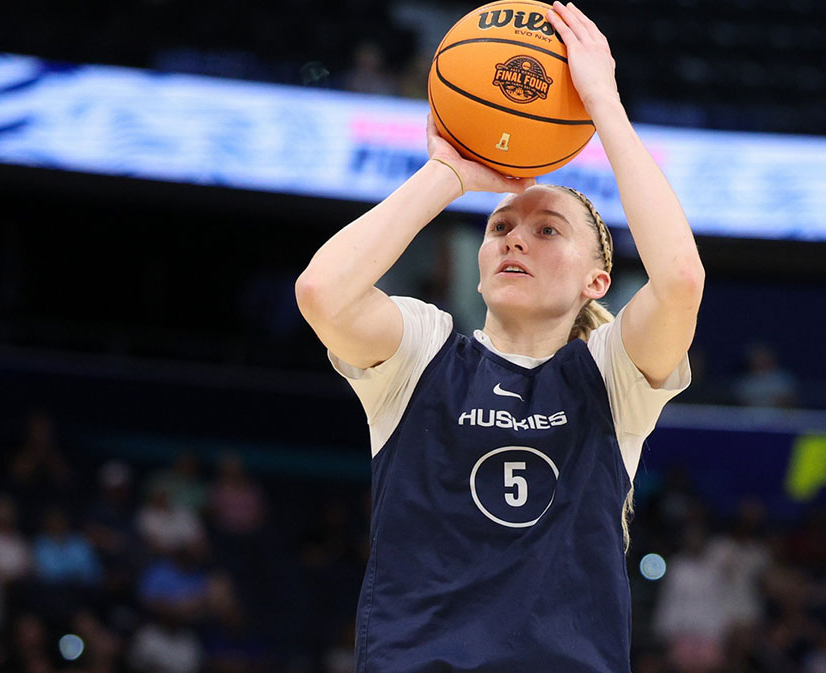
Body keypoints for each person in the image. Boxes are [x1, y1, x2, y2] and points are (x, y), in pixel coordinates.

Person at [296, 2, 702, 669]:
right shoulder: (422, 351)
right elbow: (321, 292)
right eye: (500, 226)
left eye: (548, 230)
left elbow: (681, 279)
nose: (515, 236)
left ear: (596, 282)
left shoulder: (611, 376)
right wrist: (447, 175)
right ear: (479, 267)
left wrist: (602, 101)